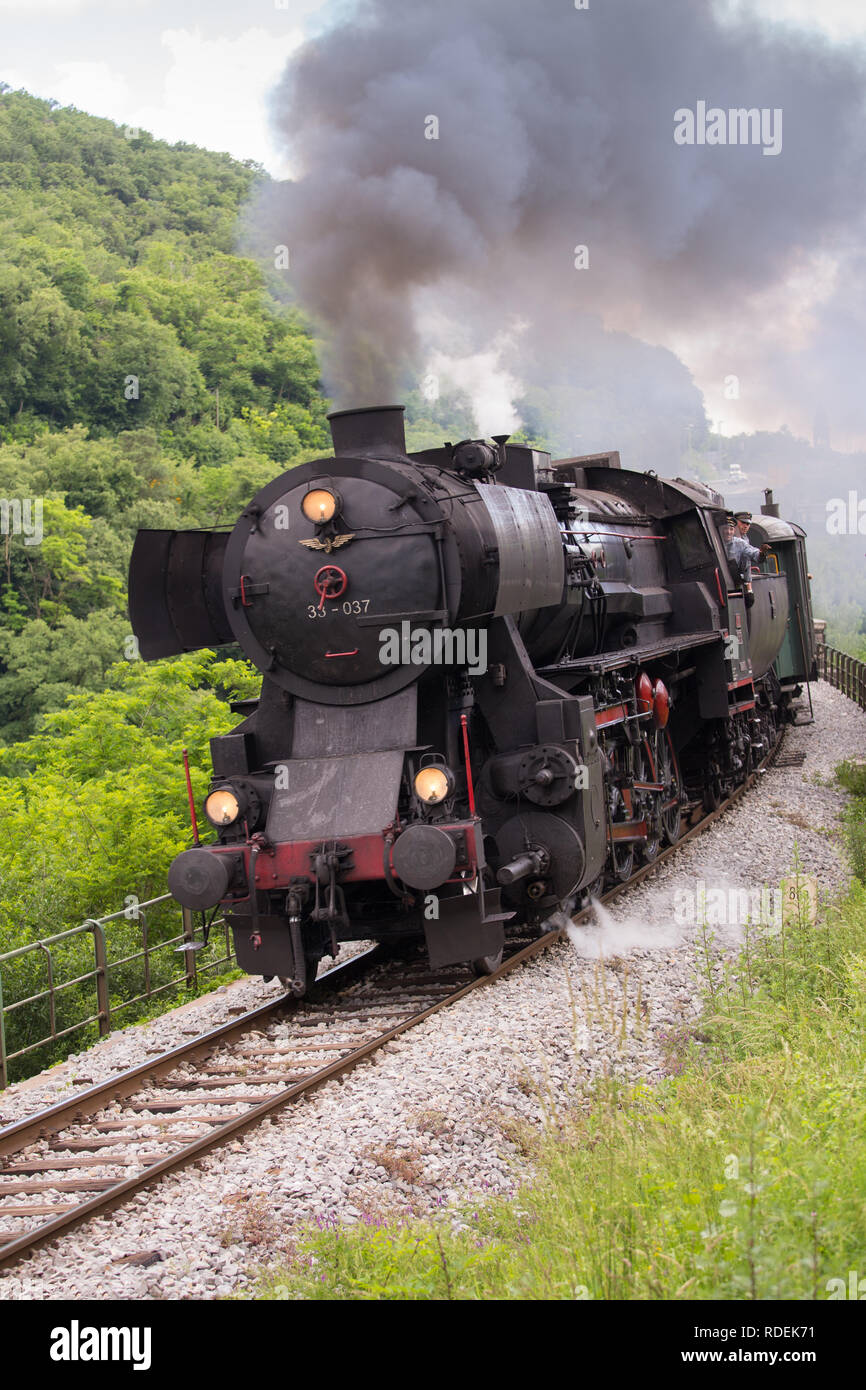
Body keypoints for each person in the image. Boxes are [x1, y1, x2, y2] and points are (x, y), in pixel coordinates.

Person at [722, 511, 770, 608]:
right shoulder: (718, 541)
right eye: (743, 523)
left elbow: (751, 556)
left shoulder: (741, 542)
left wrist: (761, 554)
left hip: (736, 583)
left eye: (748, 524)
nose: (746, 526)